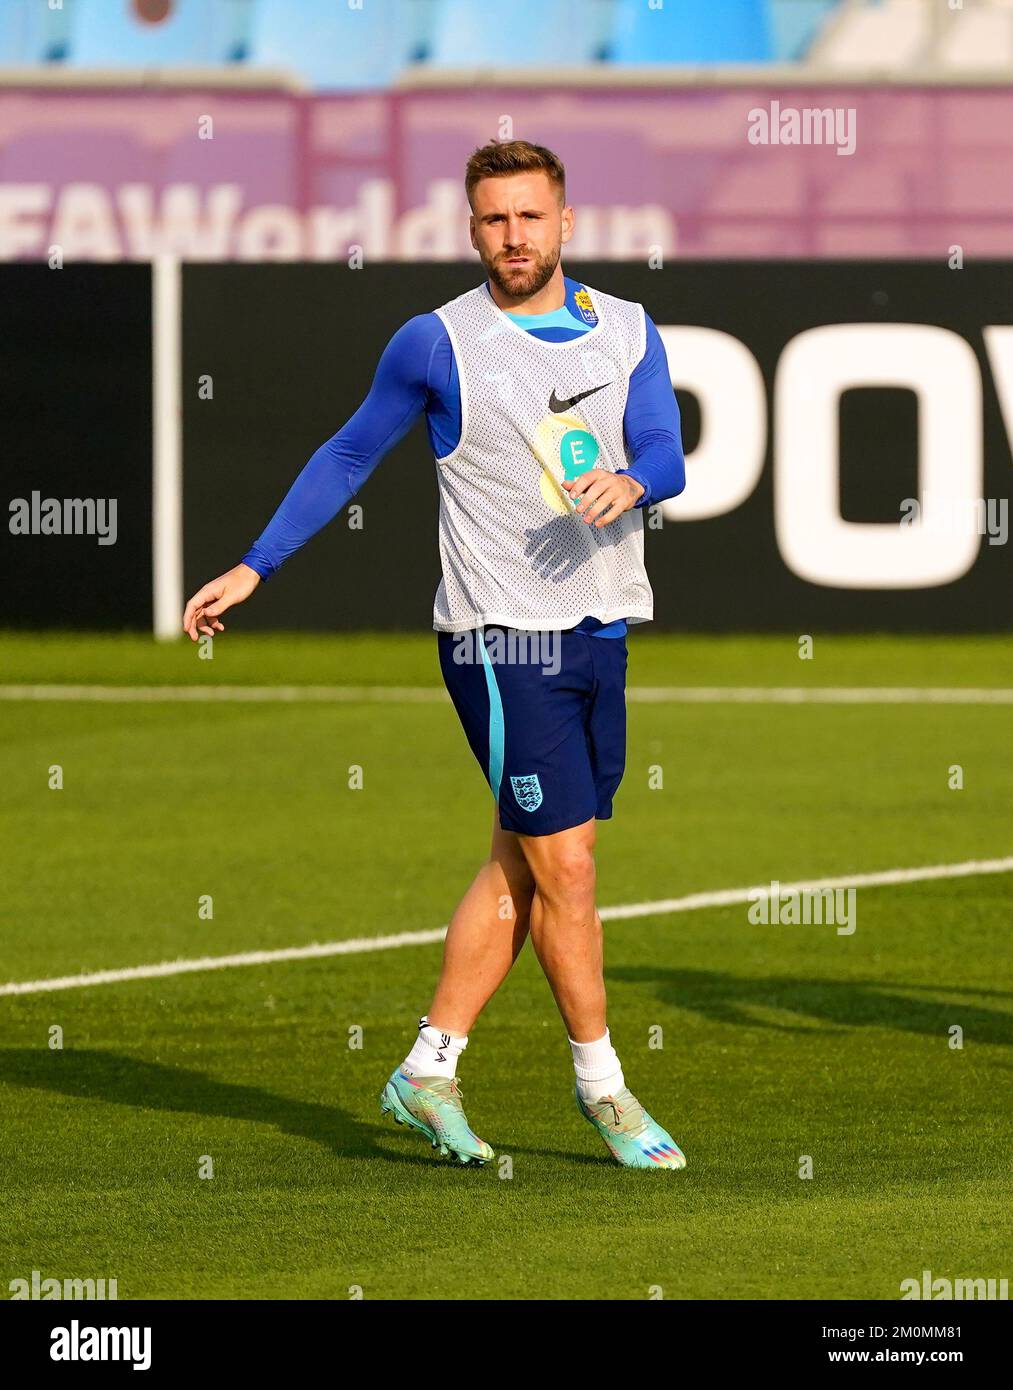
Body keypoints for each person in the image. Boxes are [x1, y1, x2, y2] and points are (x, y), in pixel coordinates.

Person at [182, 139, 688, 1170]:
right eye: (494, 219)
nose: (513, 236)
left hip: (600, 630)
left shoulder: (629, 331)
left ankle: (426, 1064)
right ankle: (605, 1087)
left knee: (526, 864)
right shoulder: (437, 342)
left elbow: (666, 450)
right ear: (471, 229)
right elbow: (349, 451)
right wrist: (257, 565)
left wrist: (633, 484)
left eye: (529, 217)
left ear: (564, 222)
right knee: (572, 870)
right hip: (499, 641)